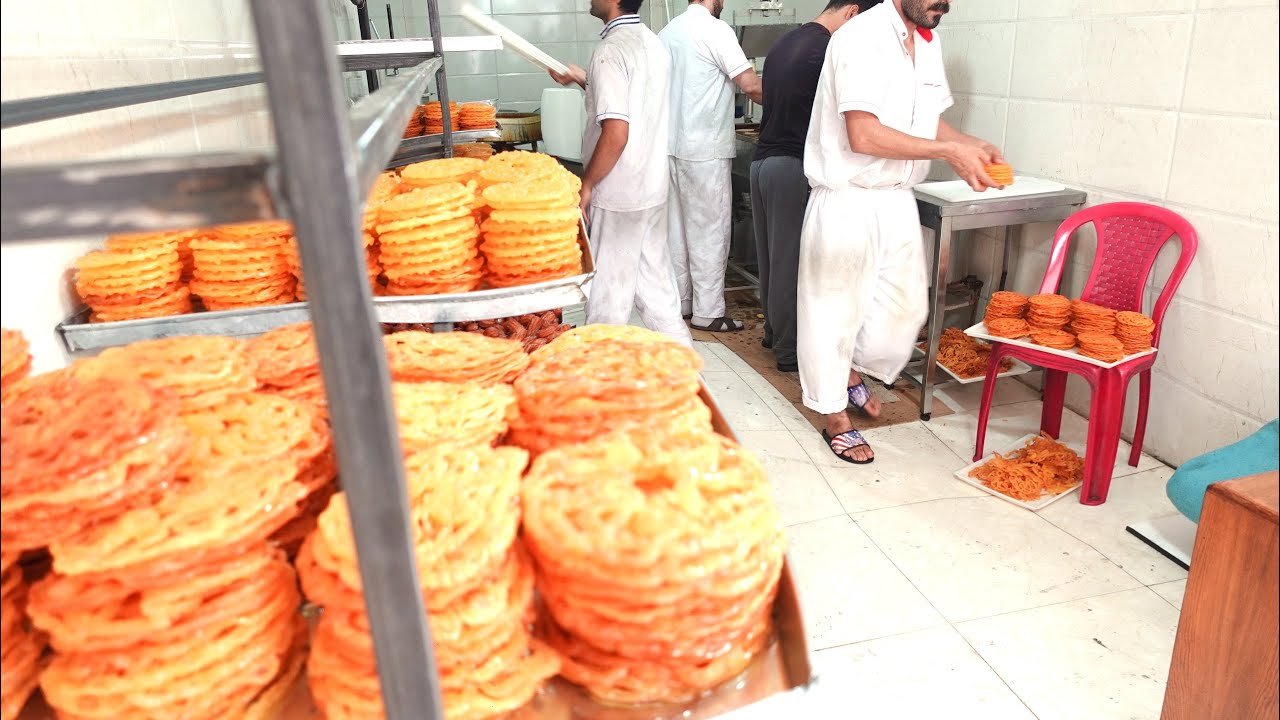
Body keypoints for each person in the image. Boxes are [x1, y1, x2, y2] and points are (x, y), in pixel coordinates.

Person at [798, 0, 1005, 464]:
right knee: (832, 315)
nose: (944, 3)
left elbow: (926, 117)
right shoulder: (859, 38)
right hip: (848, 196)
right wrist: (949, 152)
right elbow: (863, 135)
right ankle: (834, 415)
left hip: (896, 199)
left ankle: (849, 371)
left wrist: (969, 143)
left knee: (905, 311)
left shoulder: (928, 43)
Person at [549, 0, 693, 346]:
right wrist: (582, 78)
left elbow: (616, 132)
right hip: (651, 186)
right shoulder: (652, 43)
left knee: (607, 302)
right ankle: (686, 369)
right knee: (657, 292)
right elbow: (636, 98)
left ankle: (601, 372)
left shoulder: (609, 52)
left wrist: (588, 183)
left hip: (618, 192)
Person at [751, 0, 879, 373]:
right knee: (791, 265)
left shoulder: (786, 42)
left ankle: (774, 334)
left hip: (763, 163)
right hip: (792, 166)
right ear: (852, 13)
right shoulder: (827, 49)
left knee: (772, 260)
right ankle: (789, 352)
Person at [659, 0, 763, 333]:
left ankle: (682, 301)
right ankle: (708, 311)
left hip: (671, 147)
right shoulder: (716, 30)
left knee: (677, 230)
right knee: (709, 231)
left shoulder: (668, 32)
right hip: (705, 149)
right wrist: (792, 99)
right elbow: (750, 84)